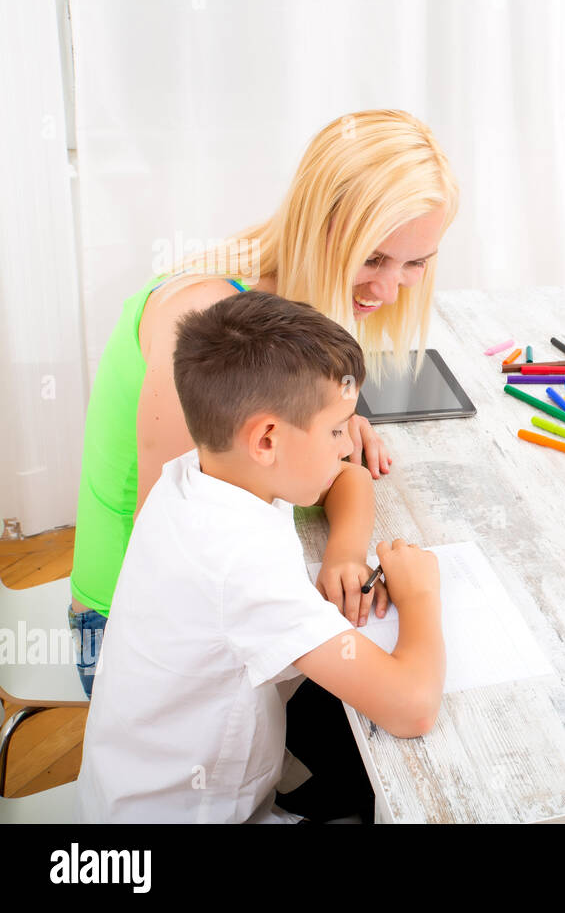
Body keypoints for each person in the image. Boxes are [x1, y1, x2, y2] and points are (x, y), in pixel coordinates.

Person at [68, 109, 458, 695]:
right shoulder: (209, 324)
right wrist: (328, 448)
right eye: (373, 258)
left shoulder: (306, 310)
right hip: (129, 630)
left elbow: (328, 469)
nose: (387, 289)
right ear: (319, 225)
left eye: (414, 264)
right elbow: (176, 548)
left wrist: (343, 526)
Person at [76, 291, 446, 822]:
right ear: (268, 439)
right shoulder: (238, 566)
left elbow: (350, 477)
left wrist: (343, 552)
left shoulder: (197, 474)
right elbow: (413, 707)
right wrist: (421, 595)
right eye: (338, 428)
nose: (349, 444)